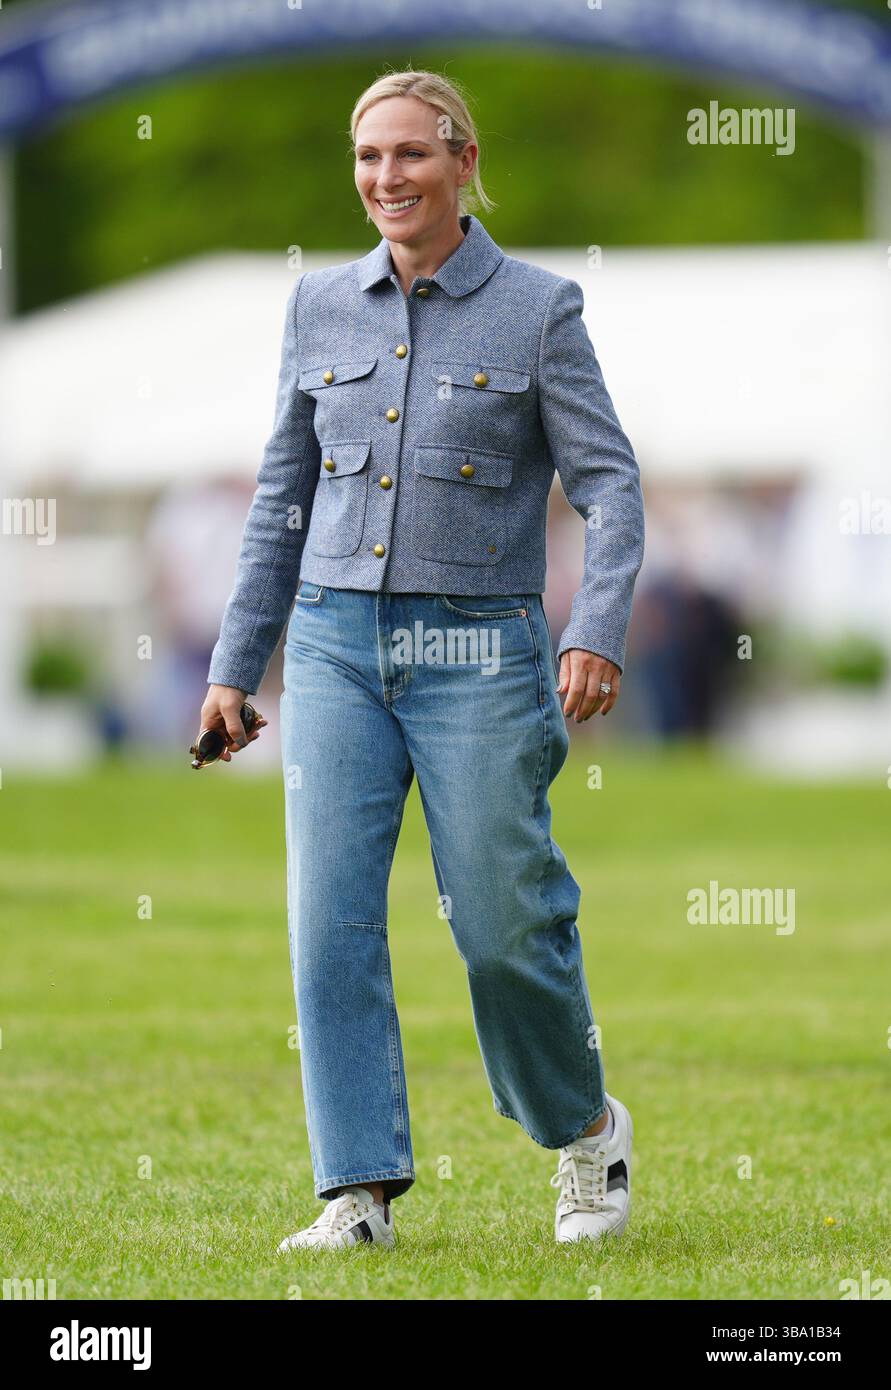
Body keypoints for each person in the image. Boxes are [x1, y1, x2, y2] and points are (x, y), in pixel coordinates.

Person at [200, 70, 645, 1250]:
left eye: (409, 156)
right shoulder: (315, 310)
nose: (384, 179)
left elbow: (610, 485)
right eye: (366, 159)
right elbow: (281, 499)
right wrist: (234, 666)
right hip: (334, 645)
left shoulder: (541, 308)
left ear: (463, 160)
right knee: (328, 920)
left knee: (504, 920)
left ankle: (586, 1131)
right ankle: (356, 1191)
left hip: (482, 651)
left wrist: (593, 624)